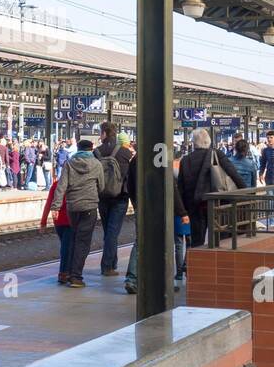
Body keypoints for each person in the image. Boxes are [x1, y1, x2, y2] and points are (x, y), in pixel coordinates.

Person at [124, 143, 192, 294]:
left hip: (142, 205)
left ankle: (132, 278)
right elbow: (170, 186)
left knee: (141, 241)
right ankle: (161, 281)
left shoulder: (136, 159)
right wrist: (182, 212)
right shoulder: (160, 157)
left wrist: (136, 203)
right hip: (160, 207)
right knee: (163, 242)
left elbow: (129, 184)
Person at [49, 138, 105, 288]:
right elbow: (102, 186)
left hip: (72, 207)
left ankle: (67, 273)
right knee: (83, 242)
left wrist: (55, 207)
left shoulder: (69, 164)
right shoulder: (96, 164)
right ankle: (76, 277)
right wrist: (94, 195)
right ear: (91, 149)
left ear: (78, 149)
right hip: (89, 207)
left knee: (73, 238)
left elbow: (61, 186)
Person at [176, 127, 244, 251]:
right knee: (221, 240)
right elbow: (234, 174)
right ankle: (219, 266)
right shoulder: (217, 154)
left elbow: (180, 188)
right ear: (208, 141)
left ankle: (196, 267)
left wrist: (183, 212)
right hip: (218, 205)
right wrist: (246, 192)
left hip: (195, 206)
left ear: (193, 142)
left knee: (197, 242)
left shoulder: (185, 160)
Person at [93, 123, 134, 277]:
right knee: (112, 232)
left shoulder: (97, 152)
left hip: (102, 196)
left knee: (108, 232)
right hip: (120, 196)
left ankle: (112, 262)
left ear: (104, 134)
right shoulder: (125, 153)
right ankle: (107, 266)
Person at [40, 170, 73, 285]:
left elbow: (48, 204)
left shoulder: (55, 185)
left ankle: (66, 271)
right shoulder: (73, 185)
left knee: (65, 246)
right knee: (67, 248)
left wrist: (43, 222)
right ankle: (64, 273)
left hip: (58, 221)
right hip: (70, 220)